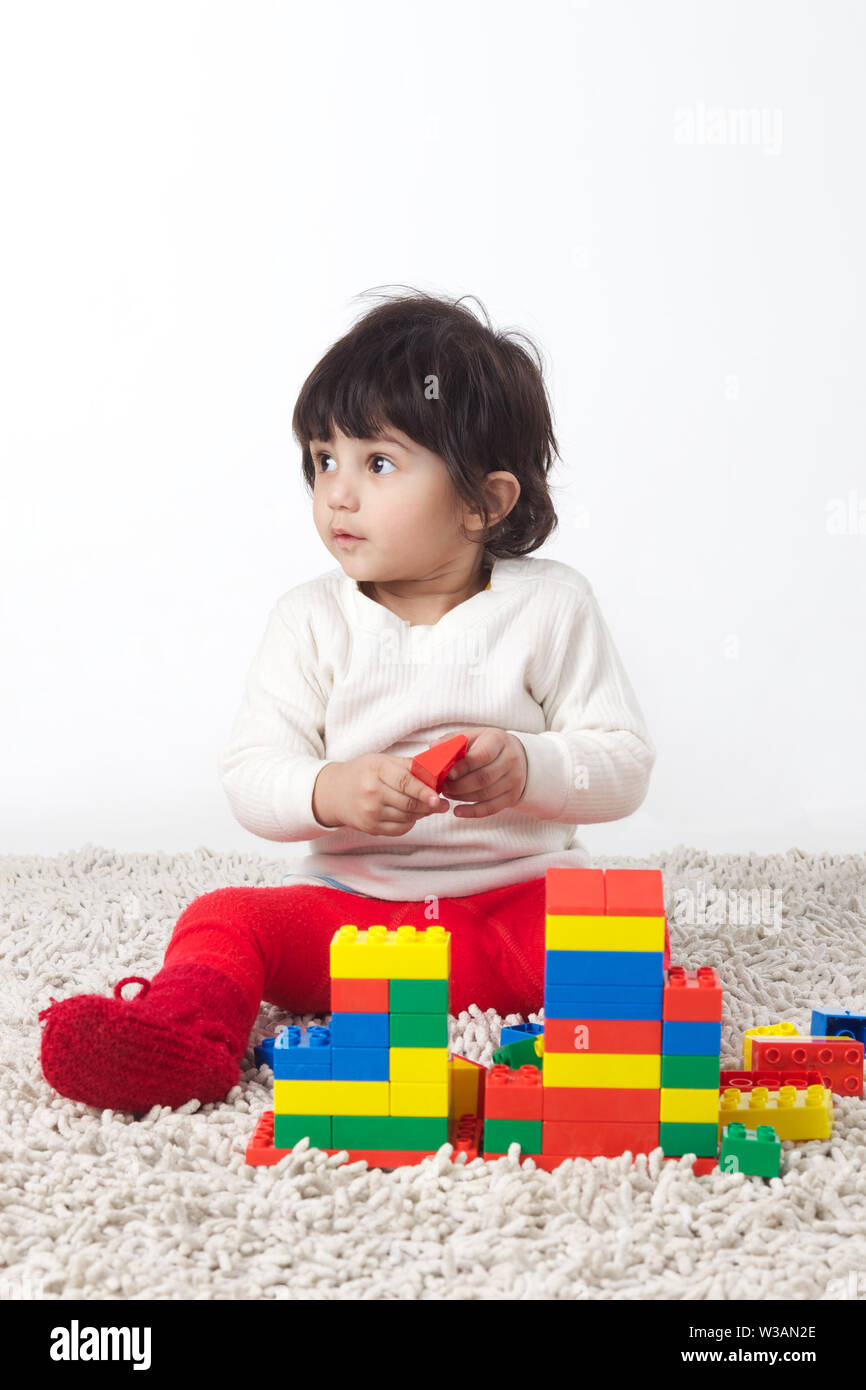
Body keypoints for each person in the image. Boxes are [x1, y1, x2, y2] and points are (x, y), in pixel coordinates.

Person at [39, 288, 656, 1113]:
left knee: (628, 933)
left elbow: (623, 762)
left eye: (378, 463)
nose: (337, 493)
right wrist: (329, 790)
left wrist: (531, 765)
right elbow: (252, 774)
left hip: (518, 905)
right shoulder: (310, 620)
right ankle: (185, 1039)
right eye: (323, 459)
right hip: (360, 922)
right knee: (224, 916)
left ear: (485, 501)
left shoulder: (551, 605)